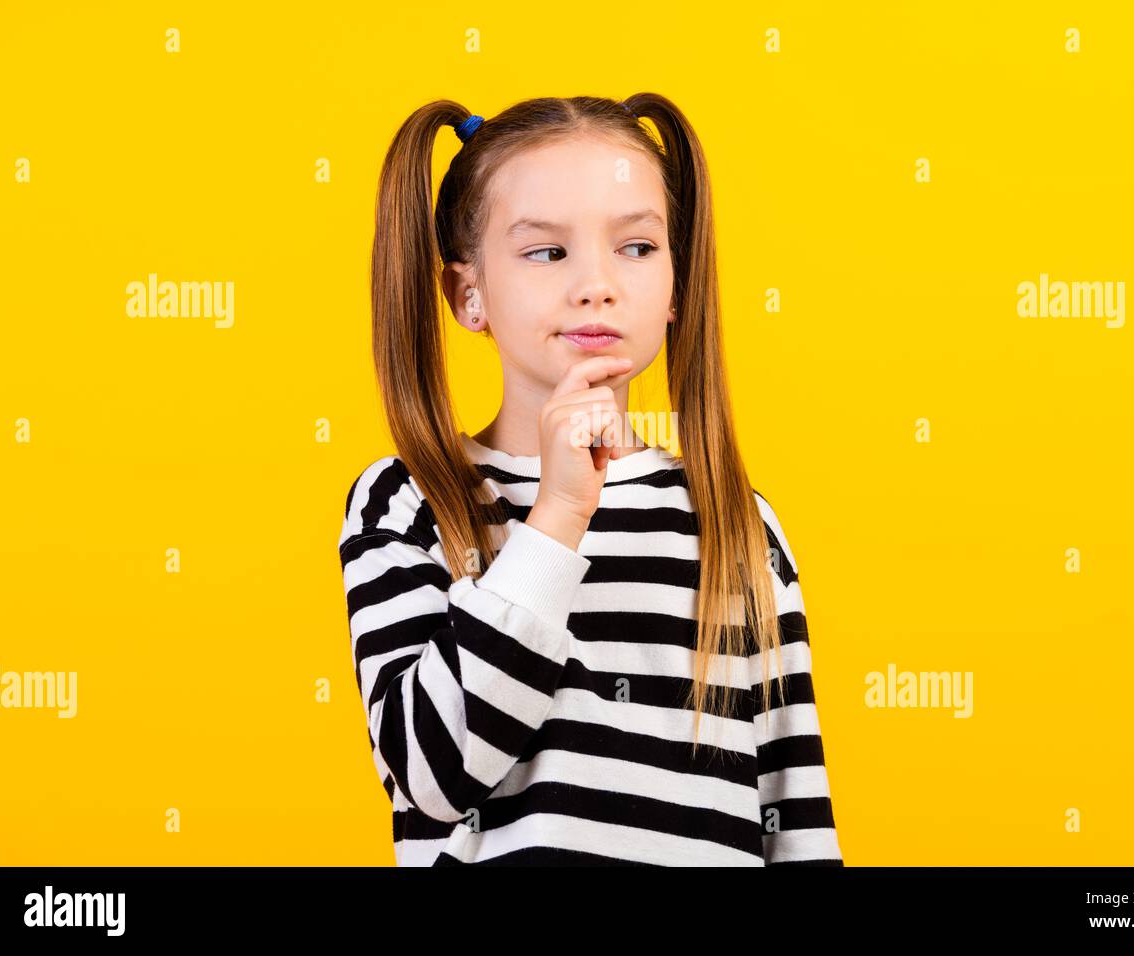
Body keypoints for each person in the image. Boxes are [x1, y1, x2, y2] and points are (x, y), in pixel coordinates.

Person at [338, 94, 842, 865]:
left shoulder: (739, 527)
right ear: (467, 293)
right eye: (548, 253)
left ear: (677, 285)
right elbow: (432, 775)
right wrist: (559, 514)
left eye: (637, 248)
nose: (597, 285)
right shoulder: (408, 503)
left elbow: (795, 812)